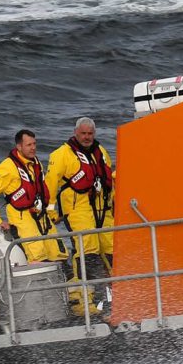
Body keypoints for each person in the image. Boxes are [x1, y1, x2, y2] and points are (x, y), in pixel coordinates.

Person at [46, 116, 115, 316]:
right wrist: (51, 211)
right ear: (76, 133)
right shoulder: (61, 155)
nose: (87, 137)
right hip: (78, 210)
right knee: (87, 251)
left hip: (103, 211)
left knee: (113, 250)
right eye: (83, 133)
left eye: (90, 134)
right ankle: (83, 302)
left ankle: (118, 297)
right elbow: (50, 184)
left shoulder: (100, 151)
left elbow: (108, 178)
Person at [0, 129, 59, 262]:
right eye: (29, 145)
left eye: (34, 144)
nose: (33, 148)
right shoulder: (7, 167)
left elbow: (45, 190)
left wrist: (51, 214)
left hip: (42, 216)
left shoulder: (36, 164)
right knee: (37, 255)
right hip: (21, 218)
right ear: (19, 146)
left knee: (57, 253)